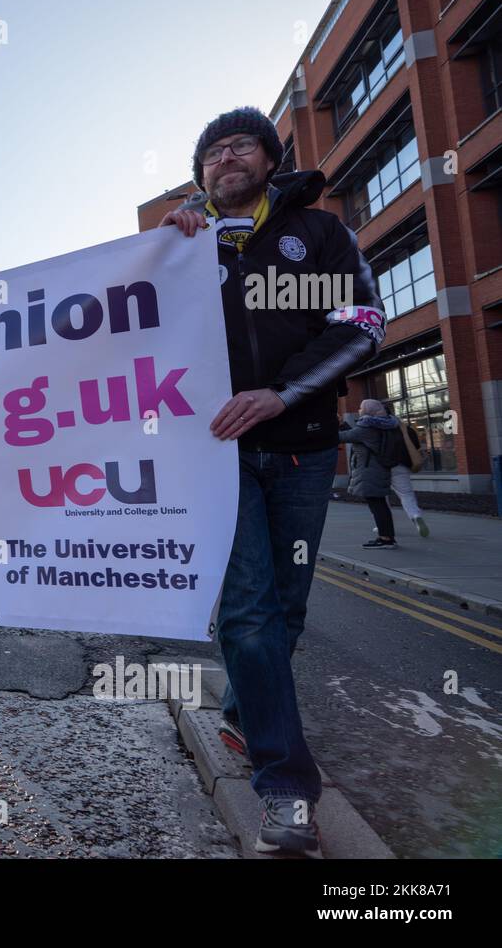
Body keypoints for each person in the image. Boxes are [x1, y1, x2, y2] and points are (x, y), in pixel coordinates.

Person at [161, 107, 385, 857]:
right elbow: (125, 328)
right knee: (248, 614)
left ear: (268, 160)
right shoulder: (181, 244)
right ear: (200, 175)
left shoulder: (318, 235)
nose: (226, 157)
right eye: (212, 152)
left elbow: (362, 322)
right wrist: (166, 241)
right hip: (214, 458)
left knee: (285, 610)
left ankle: (240, 712)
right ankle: (286, 788)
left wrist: (282, 393)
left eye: (240, 146)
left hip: (302, 449)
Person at [340, 400, 404, 548]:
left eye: (361, 407)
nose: (359, 409)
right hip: (379, 468)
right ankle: (387, 537)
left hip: (370, 470)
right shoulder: (383, 424)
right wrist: (343, 425)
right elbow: (357, 436)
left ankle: (385, 538)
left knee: (377, 506)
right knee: (380, 504)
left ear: (369, 410)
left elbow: (344, 437)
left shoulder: (368, 426)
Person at [388, 417, 429, 537]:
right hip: (402, 465)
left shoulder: (378, 427)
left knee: (381, 497)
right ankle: (416, 515)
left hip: (382, 466)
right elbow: (416, 446)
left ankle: (384, 525)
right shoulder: (406, 429)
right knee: (406, 494)